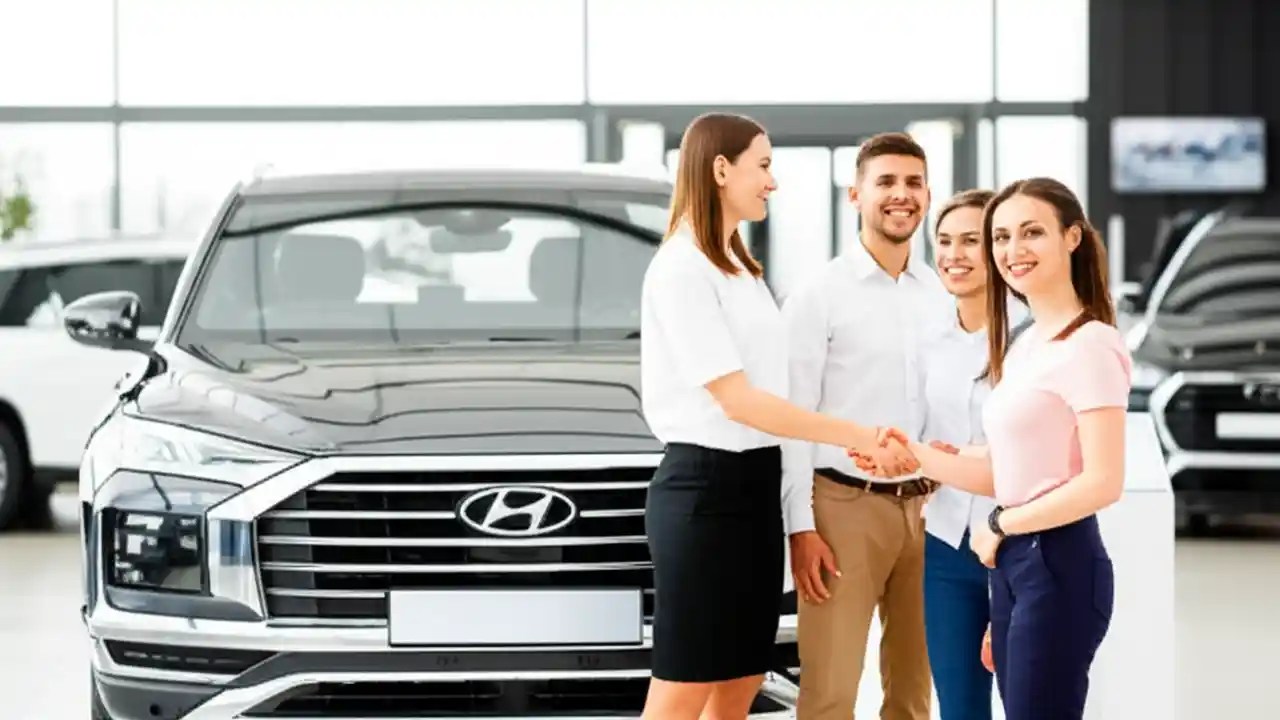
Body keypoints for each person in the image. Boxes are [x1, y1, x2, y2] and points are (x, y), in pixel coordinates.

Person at [638, 112, 917, 720]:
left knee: (741, 677)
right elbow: (738, 400)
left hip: (754, 487)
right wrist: (858, 435)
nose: (772, 181)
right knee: (684, 686)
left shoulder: (737, 265)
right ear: (720, 169)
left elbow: (776, 386)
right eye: (762, 166)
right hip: (704, 492)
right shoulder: (681, 268)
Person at [866, 177, 1132, 720]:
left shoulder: (1092, 344)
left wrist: (1002, 525)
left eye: (1032, 233)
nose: (1013, 251)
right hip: (1014, 566)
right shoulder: (1029, 343)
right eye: (1002, 237)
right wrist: (912, 453)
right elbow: (1002, 468)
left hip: (1056, 561)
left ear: (1073, 238)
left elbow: (1104, 482)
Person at [779, 131, 953, 720]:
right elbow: (793, 419)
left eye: (913, 183)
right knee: (829, 693)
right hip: (842, 513)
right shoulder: (818, 295)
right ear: (855, 194)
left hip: (931, 513)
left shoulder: (942, 294)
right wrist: (800, 528)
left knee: (912, 695)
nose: (900, 195)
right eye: (886, 182)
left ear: (928, 195)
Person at [916, 188, 1024, 719]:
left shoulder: (1030, 339)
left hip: (1017, 545)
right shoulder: (929, 341)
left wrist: (945, 456)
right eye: (944, 241)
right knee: (960, 707)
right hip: (943, 545)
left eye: (971, 241)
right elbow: (922, 432)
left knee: (1028, 700)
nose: (954, 254)